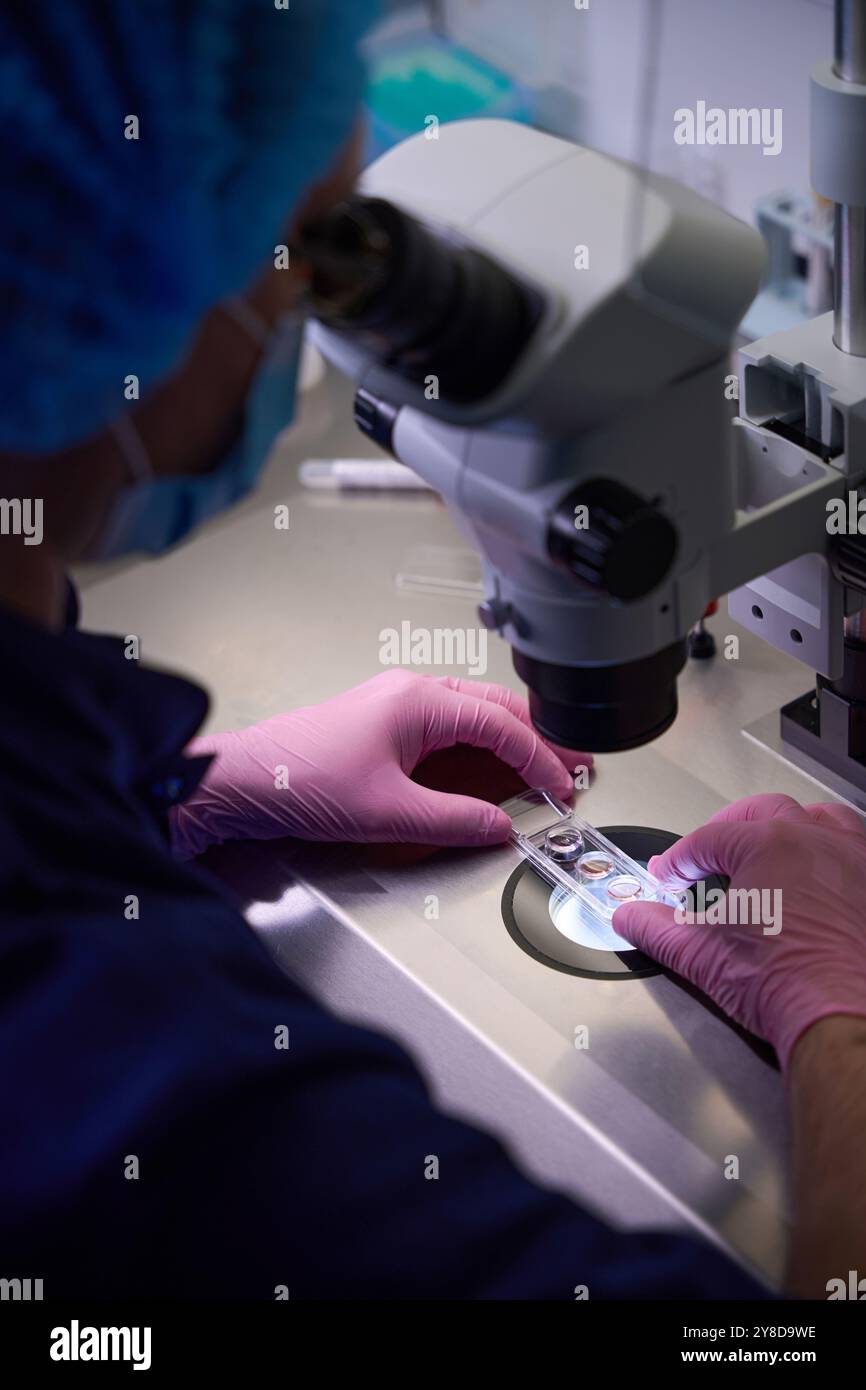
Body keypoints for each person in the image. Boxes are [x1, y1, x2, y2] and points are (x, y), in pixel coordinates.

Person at [0, 1, 864, 1300]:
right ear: (95, 282)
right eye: (310, 250)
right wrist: (843, 1018)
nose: (309, 305)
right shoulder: (137, 1089)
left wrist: (190, 797)